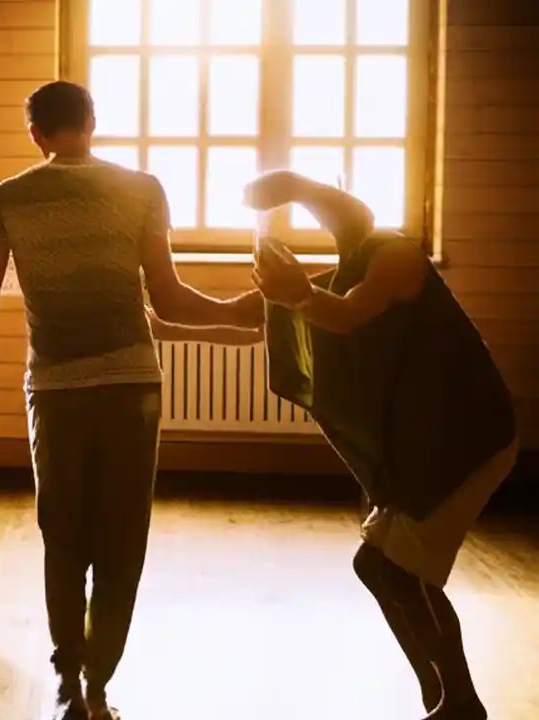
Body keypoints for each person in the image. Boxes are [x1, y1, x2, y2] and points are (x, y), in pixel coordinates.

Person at [0, 81, 263, 720]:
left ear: (35, 134)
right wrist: (239, 315)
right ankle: (98, 686)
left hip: (56, 392)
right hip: (132, 387)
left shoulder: (9, 197)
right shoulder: (141, 189)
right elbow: (170, 301)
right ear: (92, 122)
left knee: (63, 539)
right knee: (122, 541)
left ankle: (67, 685)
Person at [247, 170, 517, 720]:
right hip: (428, 440)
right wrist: (162, 319)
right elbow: (258, 313)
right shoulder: (351, 264)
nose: (324, 218)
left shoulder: (395, 257)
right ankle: (440, 695)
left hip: (469, 439)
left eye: (327, 208)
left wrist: (297, 283)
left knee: (396, 570)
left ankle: (460, 703)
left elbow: (345, 316)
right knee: (376, 566)